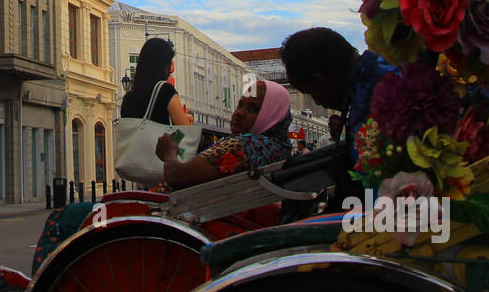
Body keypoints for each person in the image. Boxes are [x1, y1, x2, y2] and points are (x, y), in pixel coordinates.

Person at [280, 27, 391, 166]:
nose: (318, 102)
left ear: (319, 80)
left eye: (311, 92)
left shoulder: (374, 103)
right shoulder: (385, 72)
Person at [156, 79, 292, 189]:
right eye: (240, 105)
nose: (239, 113)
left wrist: (169, 152)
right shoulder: (277, 149)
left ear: (272, 116)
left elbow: (177, 176)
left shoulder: (244, 146)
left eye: (252, 109)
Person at [119, 37, 193, 124]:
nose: (170, 69)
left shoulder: (128, 98)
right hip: (159, 138)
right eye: (169, 63)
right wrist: (189, 122)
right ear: (163, 65)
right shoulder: (165, 91)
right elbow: (184, 133)